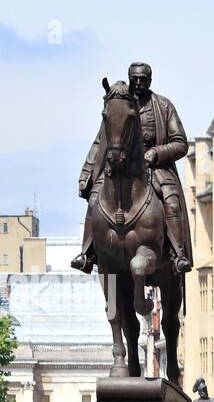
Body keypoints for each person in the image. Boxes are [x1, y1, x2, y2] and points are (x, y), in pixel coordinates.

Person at [72, 62, 193, 275]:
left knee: (171, 202)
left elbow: (181, 143)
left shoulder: (163, 106)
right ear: (129, 79)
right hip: (118, 167)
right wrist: (86, 172)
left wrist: (156, 153)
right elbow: (100, 141)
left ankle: (177, 255)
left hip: (155, 168)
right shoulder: (118, 105)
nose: (138, 83)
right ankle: (87, 254)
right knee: (94, 199)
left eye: (143, 79)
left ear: (150, 80)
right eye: (135, 79)